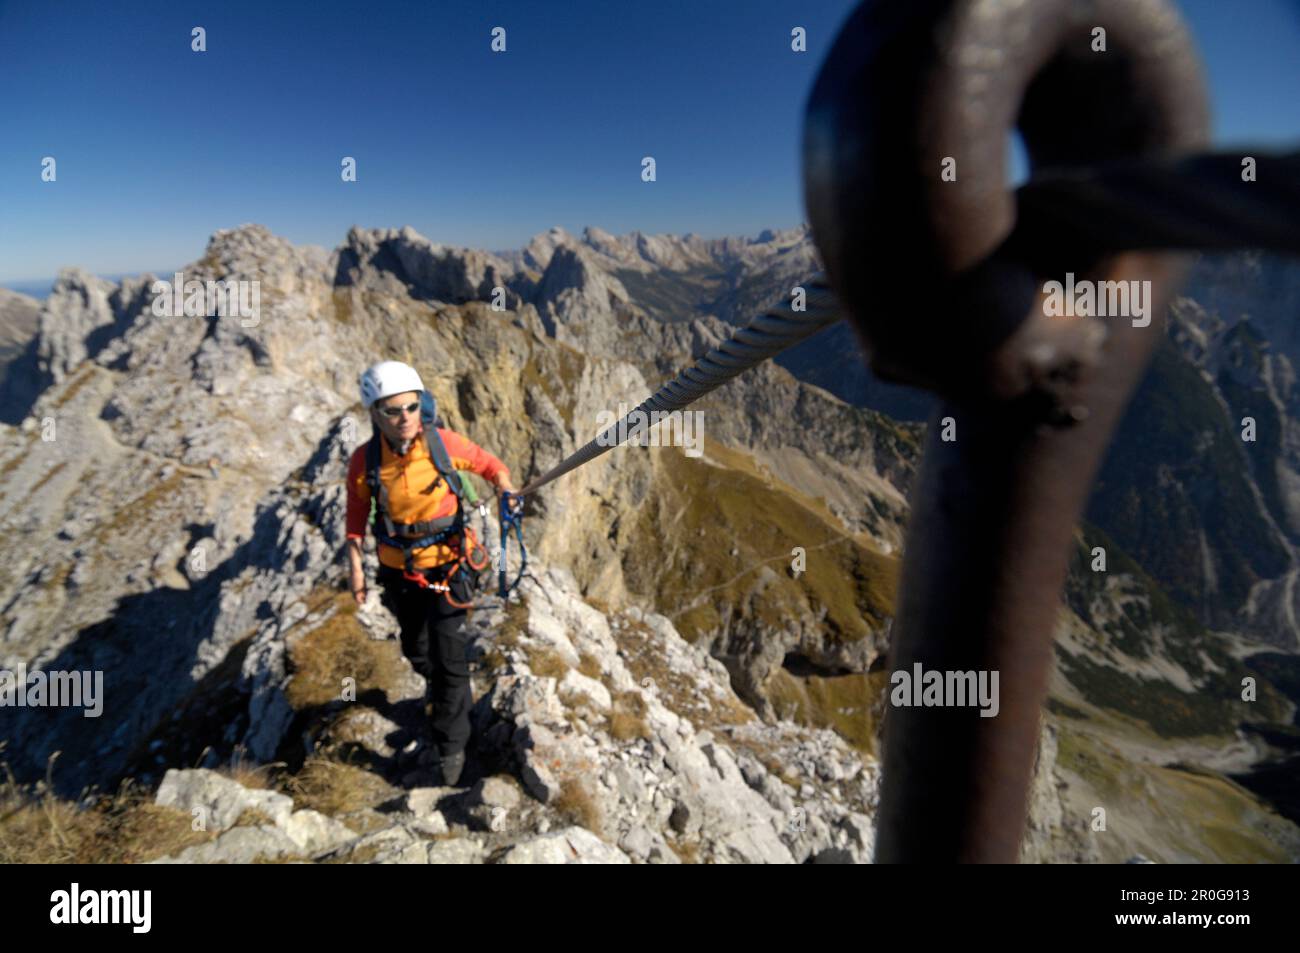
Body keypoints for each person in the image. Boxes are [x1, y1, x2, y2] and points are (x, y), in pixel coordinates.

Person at [344, 360, 518, 786]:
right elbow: (355, 517)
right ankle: (442, 690)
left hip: (449, 564)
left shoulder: (442, 443)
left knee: (448, 656)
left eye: (411, 407)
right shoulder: (364, 463)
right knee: (416, 648)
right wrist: (355, 569)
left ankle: (451, 748)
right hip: (399, 572)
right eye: (392, 411)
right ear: (374, 414)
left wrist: (507, 489)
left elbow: (491, 467)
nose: (405, 418)